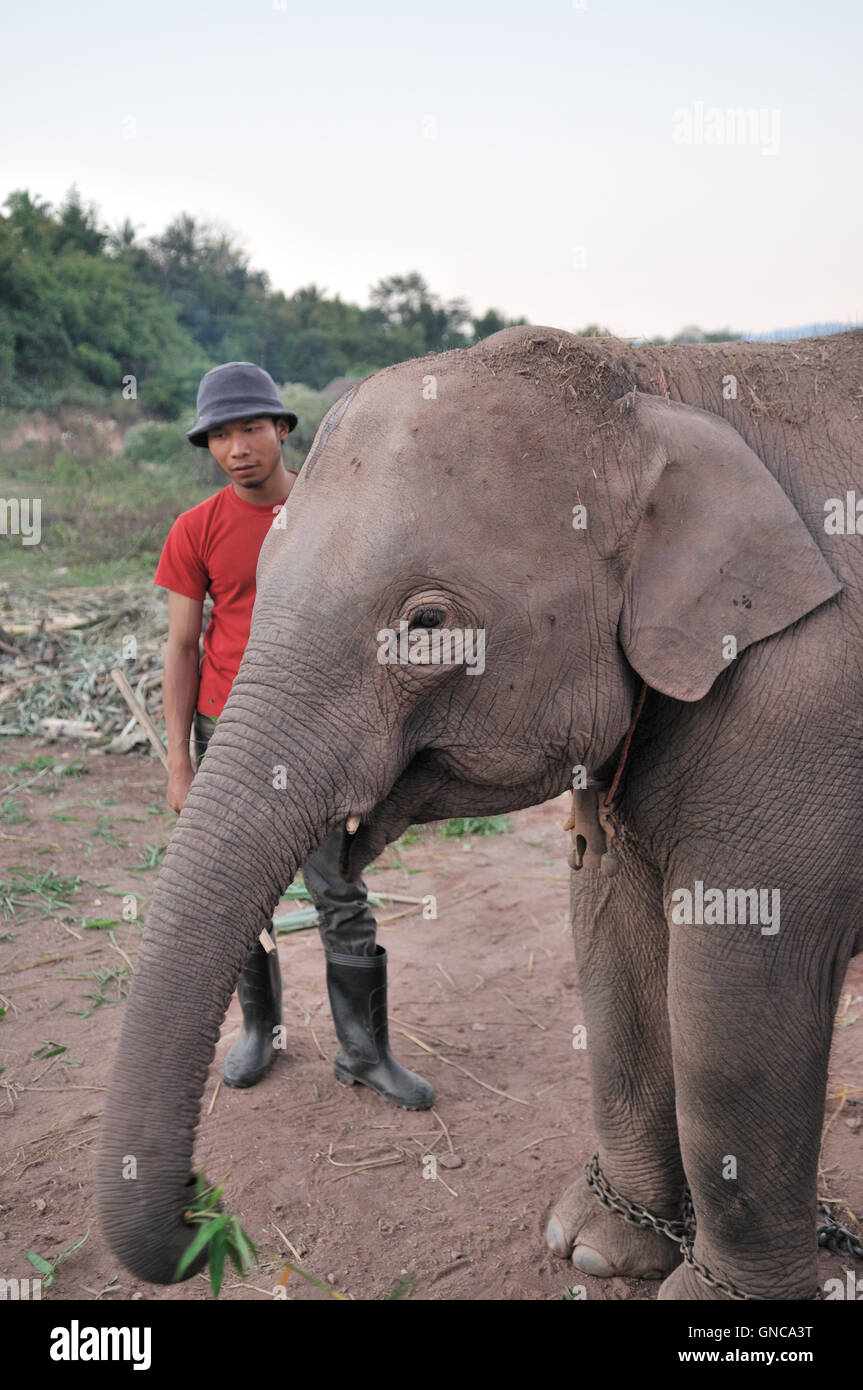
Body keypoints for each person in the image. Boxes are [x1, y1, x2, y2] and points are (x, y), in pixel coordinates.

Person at [154, 361, 433, 1110]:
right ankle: (260, 1030)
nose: (237, 447)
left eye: (250, 428)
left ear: (281, 427)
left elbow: (378, 635)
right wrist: (180, 762)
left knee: (338, 889)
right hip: (230, 732)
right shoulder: (196, 530)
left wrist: (371, 751)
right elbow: (180, 649)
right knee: (239, 891)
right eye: (220, 436)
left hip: (320, 731)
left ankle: (365, 1052)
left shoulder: (337, 513)